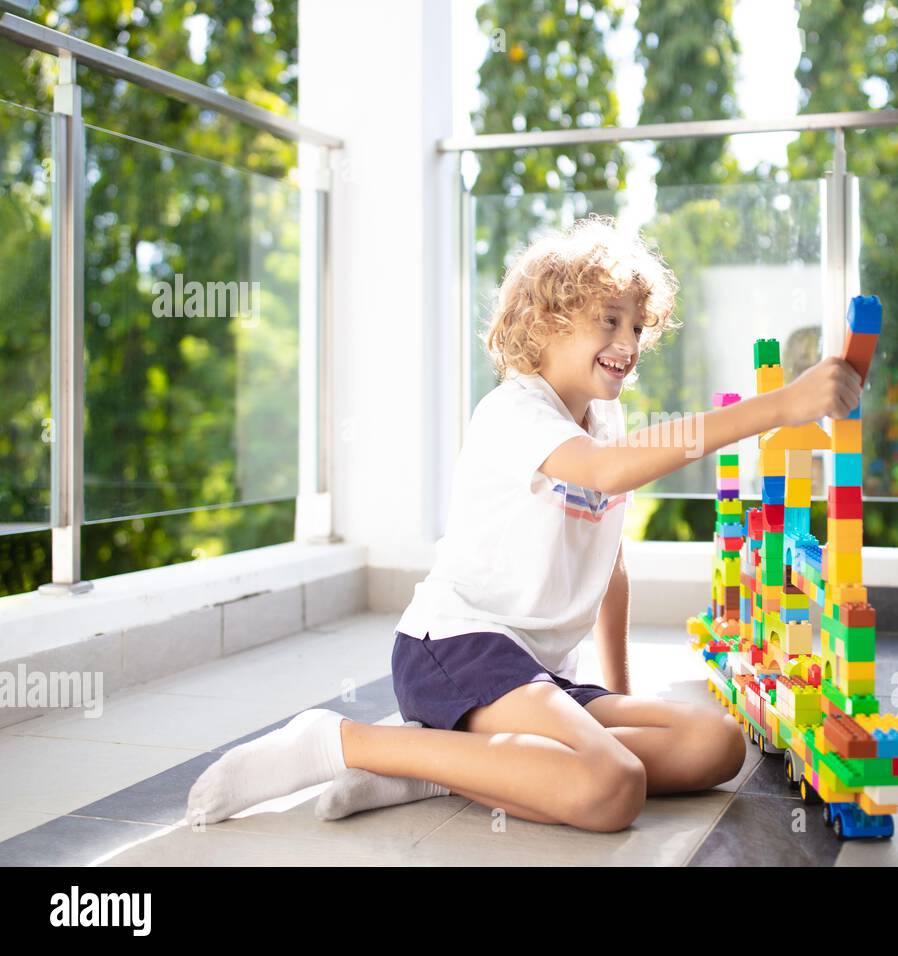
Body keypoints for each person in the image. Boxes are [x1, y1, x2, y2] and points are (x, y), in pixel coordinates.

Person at [185, 215, 863, 833]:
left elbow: (611, 567)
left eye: (635, 325)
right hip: (456, 649)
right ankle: (341, 743)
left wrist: (616, 697)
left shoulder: (608, 421)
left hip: (539, 674)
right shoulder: (513, 413)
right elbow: (603, 473)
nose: (628, 342)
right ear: (547, 323)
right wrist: (777, 407)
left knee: (715, 745)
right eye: (609, 321)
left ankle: (440, 764)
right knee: (615, 784)